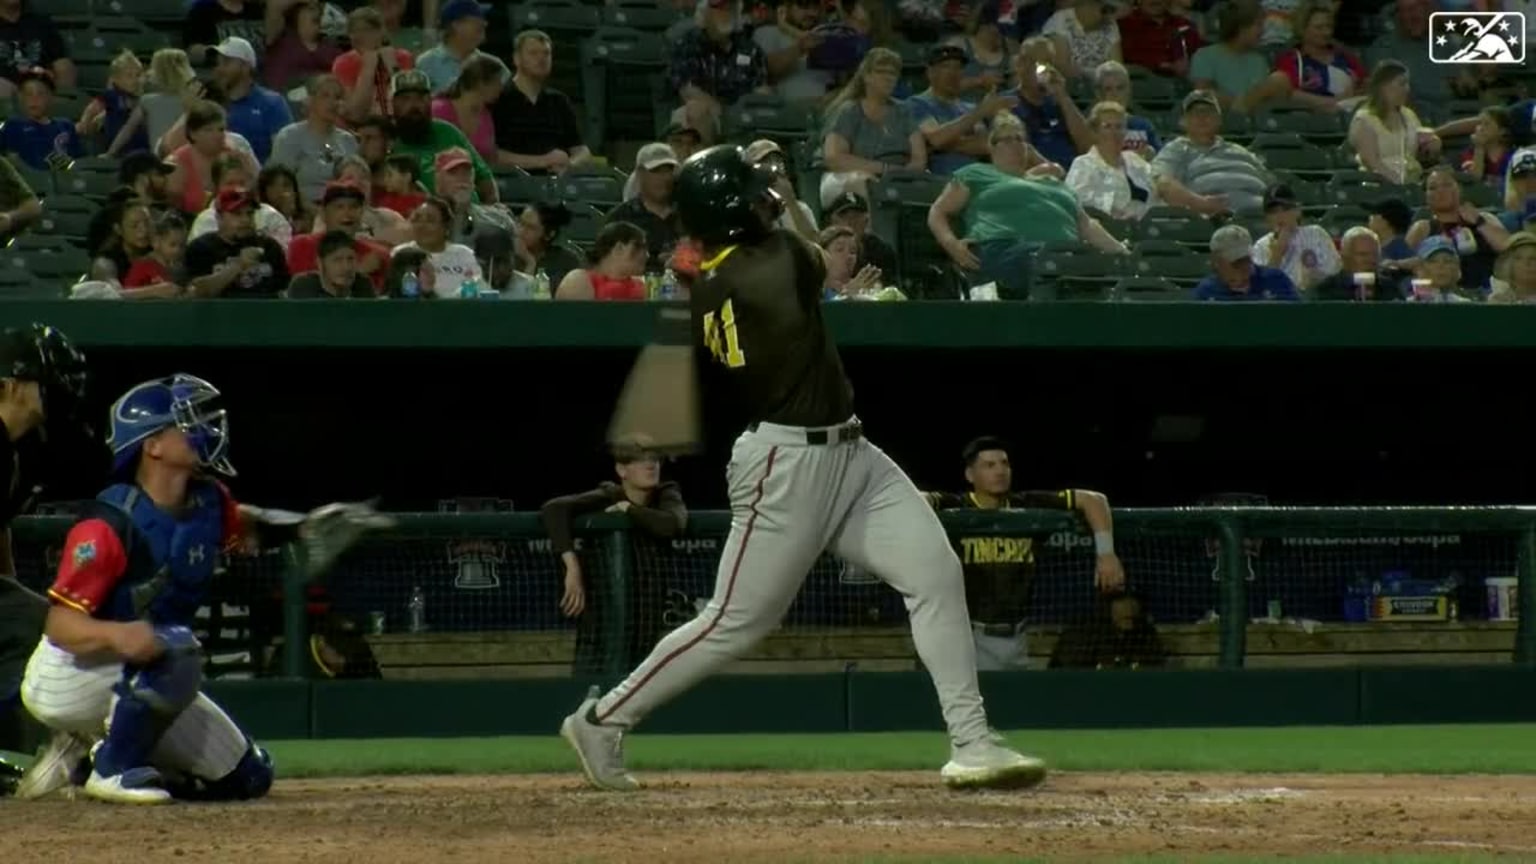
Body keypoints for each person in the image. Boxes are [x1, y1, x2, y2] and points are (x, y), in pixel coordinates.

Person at [559, 144, 1047, 793]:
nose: (765, 197)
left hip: (852, 455)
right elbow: (815, 255)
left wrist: (698, 257)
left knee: (935, 573)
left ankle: (972, 740)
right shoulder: (775, 261)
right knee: (735, 622)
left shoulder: (714, 282)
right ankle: (602, 719)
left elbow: (738, 261)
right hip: (785, 464)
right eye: (751, 193)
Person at [14, 373, 387, 804]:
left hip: (147, 667)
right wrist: (119, 635)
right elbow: (60, 625)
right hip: (70, 674)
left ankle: (87, 760)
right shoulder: (109, 523)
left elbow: (247, 526)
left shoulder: (209, 501)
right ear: (153, 445)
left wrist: (302, 527)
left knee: (249, 777)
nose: (203, 429)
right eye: (186, 422)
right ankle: (113, 770)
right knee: (178, 649)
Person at [923, 435, 1123, 671]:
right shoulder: (956, 506)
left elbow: (1094, 500)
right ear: (970, 475)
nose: (1000, 471)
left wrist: (1106, 555)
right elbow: (919, 499)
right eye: (989, 465)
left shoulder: (1027, 506)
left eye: (1005, 464)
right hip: (964, 635)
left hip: (1016, 637)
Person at [0, 324, 91, 798]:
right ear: (14, 385)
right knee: (40, 620)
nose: (56, 391)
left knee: (30, 621)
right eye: (44, 382)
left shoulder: (22, 448)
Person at [540, 437, 688, 674]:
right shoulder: (608, 495)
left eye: (654, 459)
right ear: (622, 470)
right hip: (602, 627)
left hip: (646, 625)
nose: (651, 465)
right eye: (640, 460)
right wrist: (572, 567)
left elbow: (672, 525)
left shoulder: (666, 494)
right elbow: (553, 509)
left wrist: (628, 509)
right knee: (590, 688)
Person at [554, 221, 649, 301]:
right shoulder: (578, 281)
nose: (647, 255)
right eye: (638, 246)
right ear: (618, 248)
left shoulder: (640, 286)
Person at [287, 230, 375, 298]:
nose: (346, 267)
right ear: (320, 263)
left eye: (350, 259)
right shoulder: (304, 287)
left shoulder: (363, 285)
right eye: (337, 260)